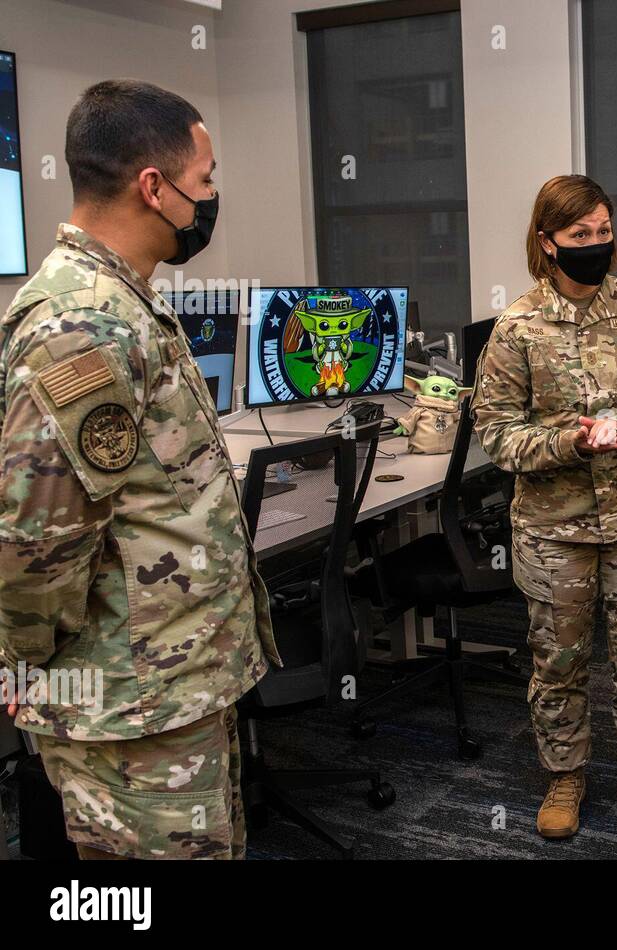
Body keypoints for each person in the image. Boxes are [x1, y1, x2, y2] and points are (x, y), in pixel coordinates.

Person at [0, 80, 278, 859]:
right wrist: (31, 670)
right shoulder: (80, 323)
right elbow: (35, 547)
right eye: (207, 178)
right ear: (154, 188)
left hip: (171, 688)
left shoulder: (125, 301)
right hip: (127, 703)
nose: (212, 197)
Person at [472, 174, 617, 841]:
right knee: (559, 662)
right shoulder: (517, 328)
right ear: (548, 242)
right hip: (553, 530)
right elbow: (497, 434)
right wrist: (568, 441)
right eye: (580, 235)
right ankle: (565, 774)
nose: (596, 245)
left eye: (604, 233)